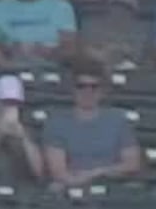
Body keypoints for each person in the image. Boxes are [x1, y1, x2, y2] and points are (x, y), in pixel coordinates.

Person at [43, 59, 144, 187]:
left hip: (113, 187)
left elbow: (132, 163)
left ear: (102, 90)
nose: (88, 92)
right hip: (72, 189)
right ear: (72, 89)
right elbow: (59, 172)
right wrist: (80, 183)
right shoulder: (56, 123)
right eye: (81, 86)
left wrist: (95, 173)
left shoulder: (118, 119)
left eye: (94, 87)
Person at [0, 0, 79, 67]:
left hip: (53, 66)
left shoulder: (61, 6)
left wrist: (50, 52)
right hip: (10, 65)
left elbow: (70, 48)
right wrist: (9, 49)